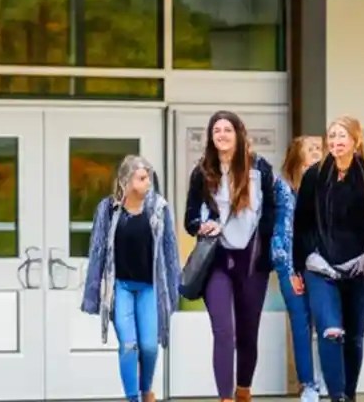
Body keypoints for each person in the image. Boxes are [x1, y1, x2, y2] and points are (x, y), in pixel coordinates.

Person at [184, 111, 278, 402]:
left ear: (238, 134)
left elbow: (271, 215)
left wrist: (268, 252)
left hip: (252, 260)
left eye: (227, 130)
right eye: (216, 131)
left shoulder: (260, 168)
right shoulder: (202, 172)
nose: (222, 135)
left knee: (248, 332)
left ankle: (243, 392)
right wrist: (201, 226)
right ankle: (225, 398)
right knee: (224, 332)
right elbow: (190, 219)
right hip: (217, 260)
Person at [293, 115, 364, 402]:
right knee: (331, 331)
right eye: (331, 136)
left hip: (359, 268)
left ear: (356, 140)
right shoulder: (315, 175)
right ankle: (337, 397)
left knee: (354, 338)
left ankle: (349, 394)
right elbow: (302, 223)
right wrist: (304, 261)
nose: (335, 142)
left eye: (341, 136)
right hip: (321, 267)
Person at [81, 155, 181, 402]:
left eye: (149, 177)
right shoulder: (108, 210)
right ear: (126, 181)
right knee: (128, 345)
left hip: (149, 288)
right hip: (121, 288)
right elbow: (97, 252)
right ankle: (132, 398)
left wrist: (175, 288)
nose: (148, 182)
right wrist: (92, 295)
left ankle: (146, 390)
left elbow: (170, 250)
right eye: (142, 178)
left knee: (148, 346)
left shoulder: (159, 208)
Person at [272, 135, 326, 402]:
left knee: (327, 323)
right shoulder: (283, 188)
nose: (318, 151)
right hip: (292, 266)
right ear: (297, 155)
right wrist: (291, 270)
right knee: (302, 323)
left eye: (320, 147)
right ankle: (308, 384)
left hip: (323, 266)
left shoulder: (327, 184)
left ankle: (327, 379)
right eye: (311, 148)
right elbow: (283, 233)